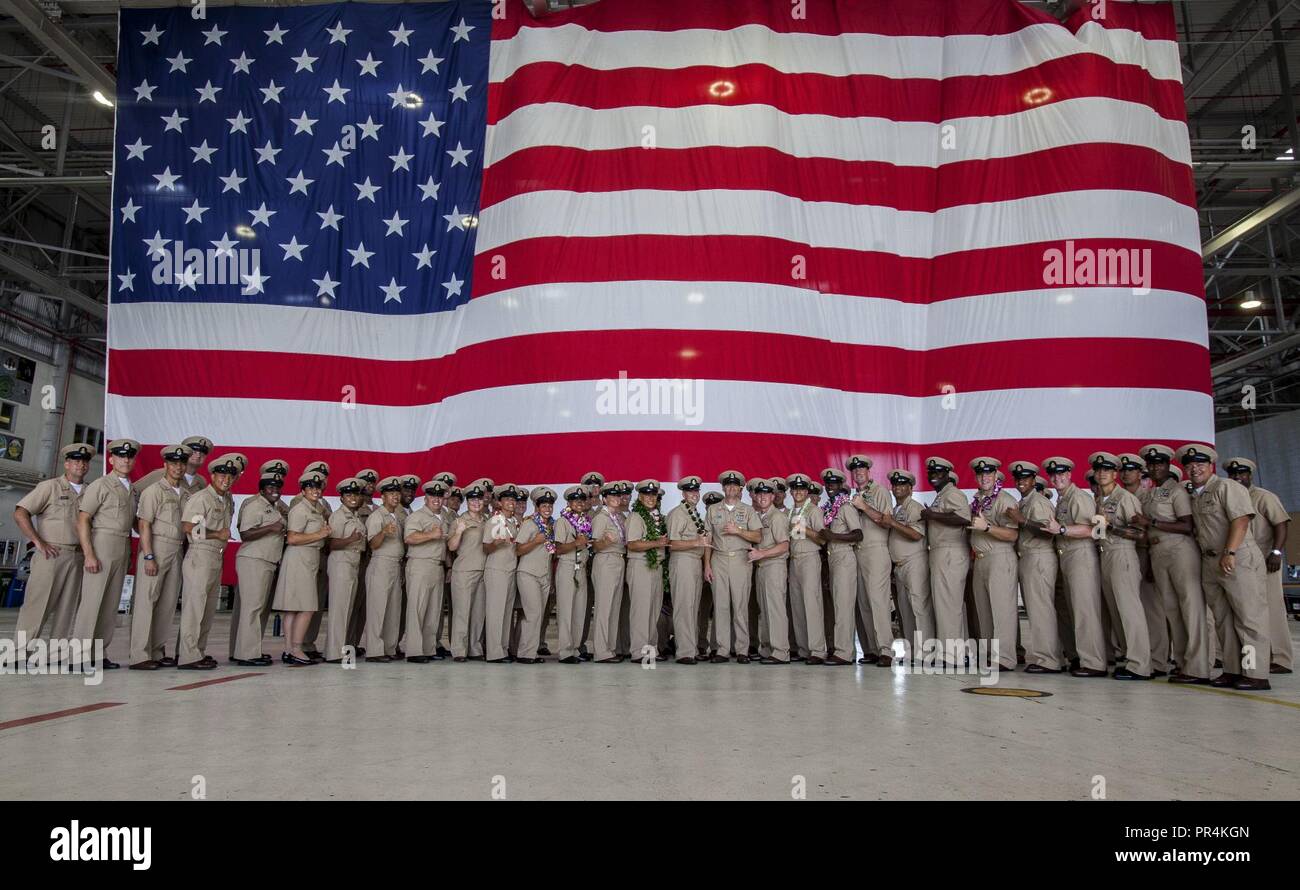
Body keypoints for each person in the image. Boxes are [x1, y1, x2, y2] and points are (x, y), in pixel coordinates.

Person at [1178, 444, 1272, 691]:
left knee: (1249, 617)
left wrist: (1230, 551)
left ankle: (1255, 672)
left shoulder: (1227, 487)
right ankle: (1232, 669)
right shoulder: (1197, 494)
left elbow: (1240, 520)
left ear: (1211, 466)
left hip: (1237, 558)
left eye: (1200, 464)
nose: (1194, 469)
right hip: (1211, 561)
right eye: (1189, 465)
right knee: (1223, 619)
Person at [1133, 444, 1209, 683]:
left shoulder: (1177, 491)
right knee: (1172, 610)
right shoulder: (1151, 493)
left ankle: (1198, 668)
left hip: (1180, 551)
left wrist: (1151, 521)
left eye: (1160, 464)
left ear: (1169, 466)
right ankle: (1183, 663)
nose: (1156, 468)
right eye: (1152, 464)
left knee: (1191, 607)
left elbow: (1187, 525)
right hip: (1158, 551)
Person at [12, 442, 94, 659]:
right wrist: (38, 541)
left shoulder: (90, 491)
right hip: (52, 555)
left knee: (68, 608)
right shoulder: (50, 487)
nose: (81, 465)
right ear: (66, 463)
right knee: (37, 605)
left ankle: (57, 654)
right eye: (76, 460)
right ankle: (20, 653)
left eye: (84, 461)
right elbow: (21, 513)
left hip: (78, 556)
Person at [72, 438, 140, 669]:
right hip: (102, 544)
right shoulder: (101, 485)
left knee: (110, 604)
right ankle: (79, 656)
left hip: (122, 546)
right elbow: (83, 519)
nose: (126, 460)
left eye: (129, 457)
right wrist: (89, 553)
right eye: (121, 456)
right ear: (111, 459)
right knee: (92, 603)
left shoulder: (131, 488)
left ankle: (98, 654)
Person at [1040, 457, 1109, 678]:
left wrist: (1060, 530)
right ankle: (1082, 657)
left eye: (1061, 474)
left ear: (1070, 475)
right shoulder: (1063, 499)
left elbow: (1093, 531)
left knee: (1085, 611)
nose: (1056, 478)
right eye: (1053, 475)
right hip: (1067, 556)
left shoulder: (1079, 497)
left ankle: (1094, 663)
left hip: (1081, 556)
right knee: (1074, 611)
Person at [1225, 457, 1293, 674]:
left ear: (1249, 475)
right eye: (1233, 475)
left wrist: (1276, 552)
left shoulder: (1263, 496)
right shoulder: (1232, 497)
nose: (1237, 478)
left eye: (1241, 474)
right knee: (1251, 614)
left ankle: (1281, 658)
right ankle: (1257, 659)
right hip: (1243, 562)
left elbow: (1281, 524)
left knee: (1273, 609)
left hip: (1266, 560)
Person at [173, 452, 238, 670]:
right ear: (212, 476)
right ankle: (188, 656)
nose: (225, 479)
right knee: (195, 607)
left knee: (208, 609)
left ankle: (198, 651)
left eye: (230, 476)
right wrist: (216, 534)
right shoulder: (202, 498)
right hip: (200, 554)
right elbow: (189, 527)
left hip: (215, 556)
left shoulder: (226, 499)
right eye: (221, 475)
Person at [1090, 452, 1152, 680]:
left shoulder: (1125, 498)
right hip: (1105, 554)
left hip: (1122, 554)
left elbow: (1141, 533)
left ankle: (1140, 665)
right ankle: (1127, 658)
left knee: (1129, 611)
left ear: (1115, 474)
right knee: (1116, 612)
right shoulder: (1099, 499)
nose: (1102, 473)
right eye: (1099, 470)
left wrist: (1112, 528)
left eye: (1107, 470)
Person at [129, 445, 191, 670]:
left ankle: (156, 650)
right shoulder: (154, 490)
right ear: (165, 465)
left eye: (182, 463)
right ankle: (139, 654)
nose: (178, 467)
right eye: (174, 463)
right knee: (147, 601)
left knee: (167, 603)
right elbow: (144, 524)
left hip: (176, 549)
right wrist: (148, 556)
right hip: (156, 546)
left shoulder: (185, 492)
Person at [1004, 461, 1062, 673]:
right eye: (1018, 479)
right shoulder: (1027, 501)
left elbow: (1048, 531)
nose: (1021, 482)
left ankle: (1048, 660)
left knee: (1041, 610)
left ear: (1033, 480)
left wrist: (1022, 521)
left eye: (1026, 478)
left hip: (1039, 556)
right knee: (1036, 609)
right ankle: (1044, 656)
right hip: (1028, 557)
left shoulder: (1038, 501)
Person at [966, 457, 1020, 672]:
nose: (984, 477)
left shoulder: (1004, 499)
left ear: (996, 476)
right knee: (984, 611)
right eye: (980, 474)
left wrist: (987, 527)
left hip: (999, 557)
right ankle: (991, 655)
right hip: (980, 559)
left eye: (988, 474)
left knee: (1002, 610)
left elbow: (1012, 534)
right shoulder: (978, 499)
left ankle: (1005, 657)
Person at [272, 471, 330, 666]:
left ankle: (289, 650)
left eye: (318, 488)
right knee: (306, 607)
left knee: (294, 608)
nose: (315, 491)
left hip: (306, 559)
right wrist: (320, 534)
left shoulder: (315, 508)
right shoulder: (300, 509)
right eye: (310, 488)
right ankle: (297, 649)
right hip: (300, 558)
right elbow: (292, 538)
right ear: (303, 491)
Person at [229, 469, 286, 667]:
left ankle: (250, 650)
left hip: (267, 560)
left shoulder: (274, 506)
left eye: (278, 487)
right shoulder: (255, 505)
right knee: (252, 608)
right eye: (270, 487)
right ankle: (247, 654)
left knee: (257, 608)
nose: (275, 490)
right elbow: (245, 533)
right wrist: (271, 527)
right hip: (254, 560)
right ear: (262, 490)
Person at [705, 471, 763, 663]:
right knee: (720, 606)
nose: (731, 488)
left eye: (735, 486)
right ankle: (722, 649)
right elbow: (708, 539)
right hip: (718, 559)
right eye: (728, 485)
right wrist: (707, 565)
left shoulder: (747, 510)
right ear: (723, 488)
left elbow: (757, 536)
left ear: (740, 489)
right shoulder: (713, 509)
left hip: (740, 560)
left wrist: (738, 531)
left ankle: (742, 650)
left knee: (740, 607)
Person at [920, 457, 970, 658]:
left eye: (938, 472)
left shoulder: (953, 493)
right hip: (942, 552)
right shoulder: (942, 495)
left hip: (951, 551)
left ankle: (953, 655)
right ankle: (955, 651)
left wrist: (933, 515)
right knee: (946, 604)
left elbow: (964, 517)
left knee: (948, 605)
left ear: (947, 474)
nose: (934, 476)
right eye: (931, 472)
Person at [847, 455, 894, 666]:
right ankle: (871, 649)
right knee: (863, 602)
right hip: (858, 551)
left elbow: (887, 522)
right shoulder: (854, 495)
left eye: (862, 469)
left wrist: (864, 507)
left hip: (876, 549)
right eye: (855, 470)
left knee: (878, 600)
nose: (858, 473)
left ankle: (886, 650)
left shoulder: (880, 492)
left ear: (869, 471)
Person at [880, 469, 931, 660]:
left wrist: (892, 523)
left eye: (902, 485)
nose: (897, 488)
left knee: (919, 608)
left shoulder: (914, 507)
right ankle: (911, 651)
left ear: (910, 488)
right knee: (905, 611)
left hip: (914, 562)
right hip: (900, 566)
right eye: (895, 485)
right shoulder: (897, 509)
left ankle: (926, 652)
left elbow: (916, 534)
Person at [817, 468, 861, 665]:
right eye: (827, 484)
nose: (830, 487)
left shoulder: (846, 507)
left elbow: (858, 534)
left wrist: (833, 536)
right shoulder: (829, 507)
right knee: (837, 606)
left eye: (833, 484)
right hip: (833, 558)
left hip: (844, 558)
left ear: (841, 485)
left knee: (843, 606)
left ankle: (844, 652)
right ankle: (839, 647)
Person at [665, 476, 709, 665]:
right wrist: (696, 542)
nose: (694, 494)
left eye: (696, 491)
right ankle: (684, 652)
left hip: (694, 563)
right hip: (682, 562)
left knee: (692, 608)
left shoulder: (694, 513)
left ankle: (690, 648)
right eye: (690, 491)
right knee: (684, 607)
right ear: (683, 493)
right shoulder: (678, 514)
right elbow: (672, 544)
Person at [404, 479, 449, 663]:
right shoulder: (417, 516)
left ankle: (428, 648)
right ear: (426, 498)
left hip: (437, 566)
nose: (436, 499)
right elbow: (409, 537)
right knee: (417, 609)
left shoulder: (444, 517)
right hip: (420, 565)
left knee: (433, 611)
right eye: (432, 496)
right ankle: (414, 651)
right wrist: (431, 534)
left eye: (439, 496)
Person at [324, 478, 368, 664]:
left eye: (355, 494)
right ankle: (334, 653)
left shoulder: (355, 515)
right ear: (341, 498)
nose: (352, 498)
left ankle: (345, 652)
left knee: (348, 610)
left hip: (353, 562)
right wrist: (350, 539)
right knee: (339, 610)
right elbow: (331, 543)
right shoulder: (338, 516)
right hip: (341, 563)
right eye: (348, 494)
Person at [784, 473, 826, 665]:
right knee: (797, 605)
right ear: (791, 492)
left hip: (809, 558)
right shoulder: (791, 512)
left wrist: (804, 529)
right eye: (795, 489)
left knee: (812, 604)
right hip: (794, 560)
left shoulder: (814, 511)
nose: (798, 492)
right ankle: (802, 648)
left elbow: (822, 539)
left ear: (807, 492)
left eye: (801, 489)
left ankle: (817, 650)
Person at [625, 480, 669, 661]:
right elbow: (633, 544)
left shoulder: (657, 517)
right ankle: (638, 652)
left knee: (653, 611)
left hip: (655, 566)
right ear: (640, 497)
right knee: (641, 611)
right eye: (647, 495)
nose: (651, 498)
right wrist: (657, 543)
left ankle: (651, 651)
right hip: (641, 565)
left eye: (654, 495)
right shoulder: (636, 516)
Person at [364, 477, 406, 662]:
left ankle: (389, 648)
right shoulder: (377, 516)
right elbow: (373, 544)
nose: (395, 497)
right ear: (382, 497)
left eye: (397, 493)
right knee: (378, 609)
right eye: (391, 493)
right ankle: (374, 651)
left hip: (395, 565)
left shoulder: (397, 515)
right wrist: (383, 532)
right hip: (380, 564)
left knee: (393, 609)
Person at [514, 486, 557, 663]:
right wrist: (535, 541)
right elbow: (518, 550)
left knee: (538, 614)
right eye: (544, 506)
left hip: (544, 575)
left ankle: (530, 651)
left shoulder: (552, 525)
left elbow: (552, 553)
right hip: (528, 573)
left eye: (549, 506)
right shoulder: (529, 524)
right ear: (537, 507)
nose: (547, 509)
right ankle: (525, 654)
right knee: (532, 613)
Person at [750, 479, 791, 664]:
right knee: (765, 610)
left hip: (774, 566)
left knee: (775, 610)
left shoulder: (777, 517)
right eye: (759, 494)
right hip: (762, 567)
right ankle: (767, 648)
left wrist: (762, 553)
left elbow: (784, 545)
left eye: (766, 494)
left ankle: (781, 651)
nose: (762, 497)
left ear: (773, 496)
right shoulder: (761, 517)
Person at [447, 480, 489, 661]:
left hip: (483, 571)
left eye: (479, 499)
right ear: (467, 501)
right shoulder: (460, 520)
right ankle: (459, 650)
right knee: (462, 612)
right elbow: (451, 547)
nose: (476, 503)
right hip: (464, 571)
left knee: (478, 613)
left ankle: (475, 648)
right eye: (472, 500)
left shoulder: (487, 520)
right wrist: (459, 532)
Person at [482, 484, 522, 663]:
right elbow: (486, 547)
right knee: (495, 612)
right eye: (507, 499)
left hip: (510, 569)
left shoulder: (514, 522)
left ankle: (504, 649)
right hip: (497, 570)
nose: (511, 503)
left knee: (506, 612)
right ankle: (494, 652)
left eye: (513, 499)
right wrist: (495, 544)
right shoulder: (495, 520)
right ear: (499, 502)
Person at [590, 481, 628, 663]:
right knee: (604, 608)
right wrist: (606, 541)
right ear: (604, 499)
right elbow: (595, 545)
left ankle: (610, 648)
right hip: (605, 561)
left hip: (619, 560)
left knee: (614, 608)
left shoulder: (619, 517)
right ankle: (601, 651)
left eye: (618, 496)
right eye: (612, 496)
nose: (616, 499)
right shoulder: (600, 518)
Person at [553, 486, 591, 664]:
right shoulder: (562, 522)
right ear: (569, 503)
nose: (579, 503)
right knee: (566, 611)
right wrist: (577, 543)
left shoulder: (585, 521)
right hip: (567, 566)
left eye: (582, 500)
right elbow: (558, 548)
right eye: (575, 500)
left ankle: (575, 648)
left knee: (579, 610)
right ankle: (565, 651)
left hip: (580, 567)